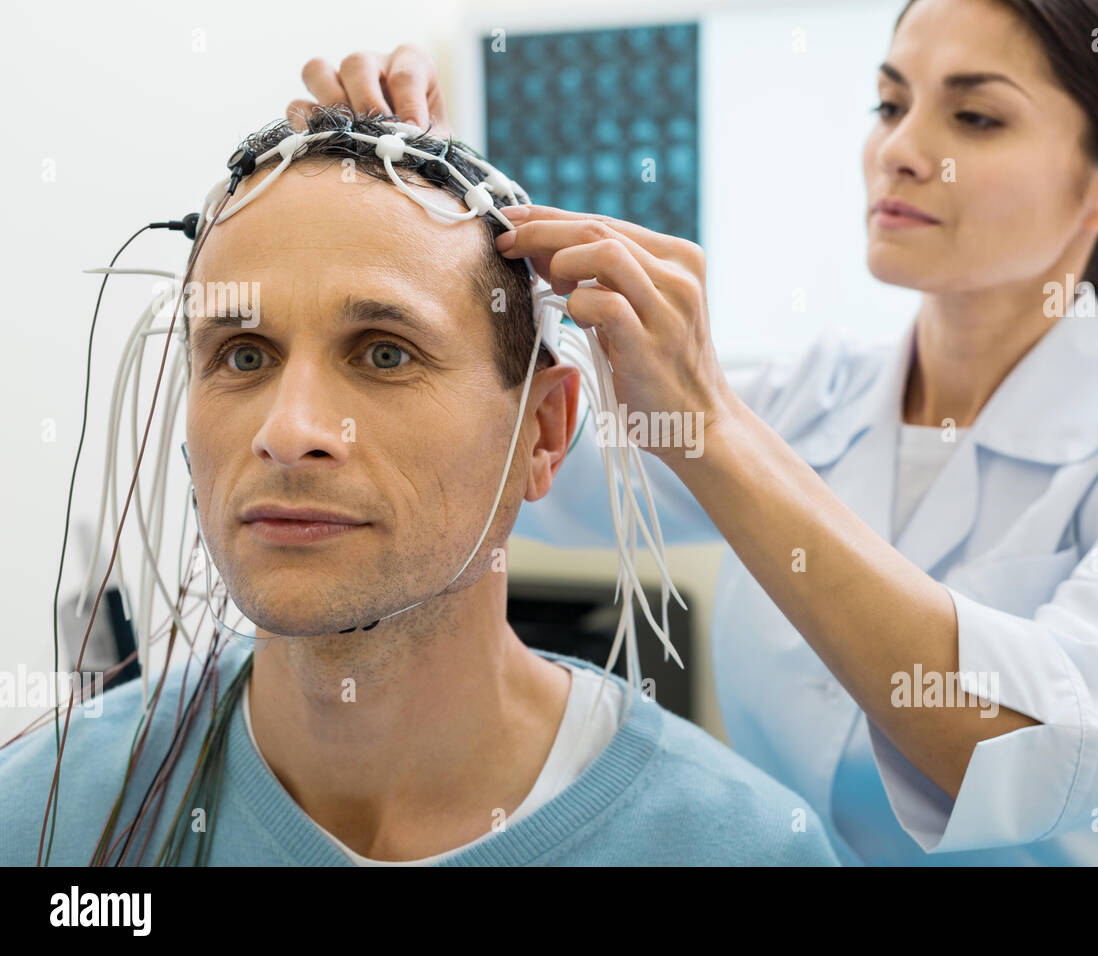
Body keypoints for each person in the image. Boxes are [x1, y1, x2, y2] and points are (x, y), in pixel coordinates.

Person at [302, 0, 1098, 866]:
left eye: (973, 116)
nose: (902, 147)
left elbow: (1052, 745)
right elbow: (508, 466)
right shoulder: (812, 399)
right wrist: (413, 197)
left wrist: (712, 430)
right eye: (890, 103)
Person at [0, 109, 839, 867]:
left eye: (384, 353)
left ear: (542, 434)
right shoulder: (42, 816)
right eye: (244, 354)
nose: (288, 431)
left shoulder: (742, 847)